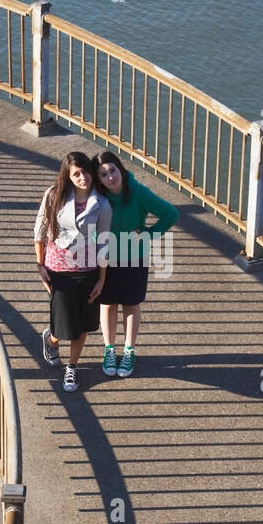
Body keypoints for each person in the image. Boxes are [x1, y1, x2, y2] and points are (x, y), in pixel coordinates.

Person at [92, 150, 178, 377]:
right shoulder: (98, 197)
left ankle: (129, 350)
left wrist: (149, 235)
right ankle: (109, 349)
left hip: (134, 259)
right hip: (106, 260)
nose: (110, 177)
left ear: (120, 168)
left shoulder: (138, 192)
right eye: (103, 174)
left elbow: (170, 213)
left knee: (131, 304)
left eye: (112, 170)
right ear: (98, 179)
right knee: (108, 304)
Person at [34, 152, 113, 392]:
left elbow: (104, 244)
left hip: (88, 269)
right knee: (63, 325)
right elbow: (40, 229)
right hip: (58, 268)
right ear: (68, 177)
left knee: (82, 325)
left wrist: (101, 280)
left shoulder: (102, 204)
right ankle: (51, 339)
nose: (83, 178)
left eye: (86, 172)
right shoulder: (54, 195)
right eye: (76, 174)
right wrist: (40, 265)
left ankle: (72, 367)